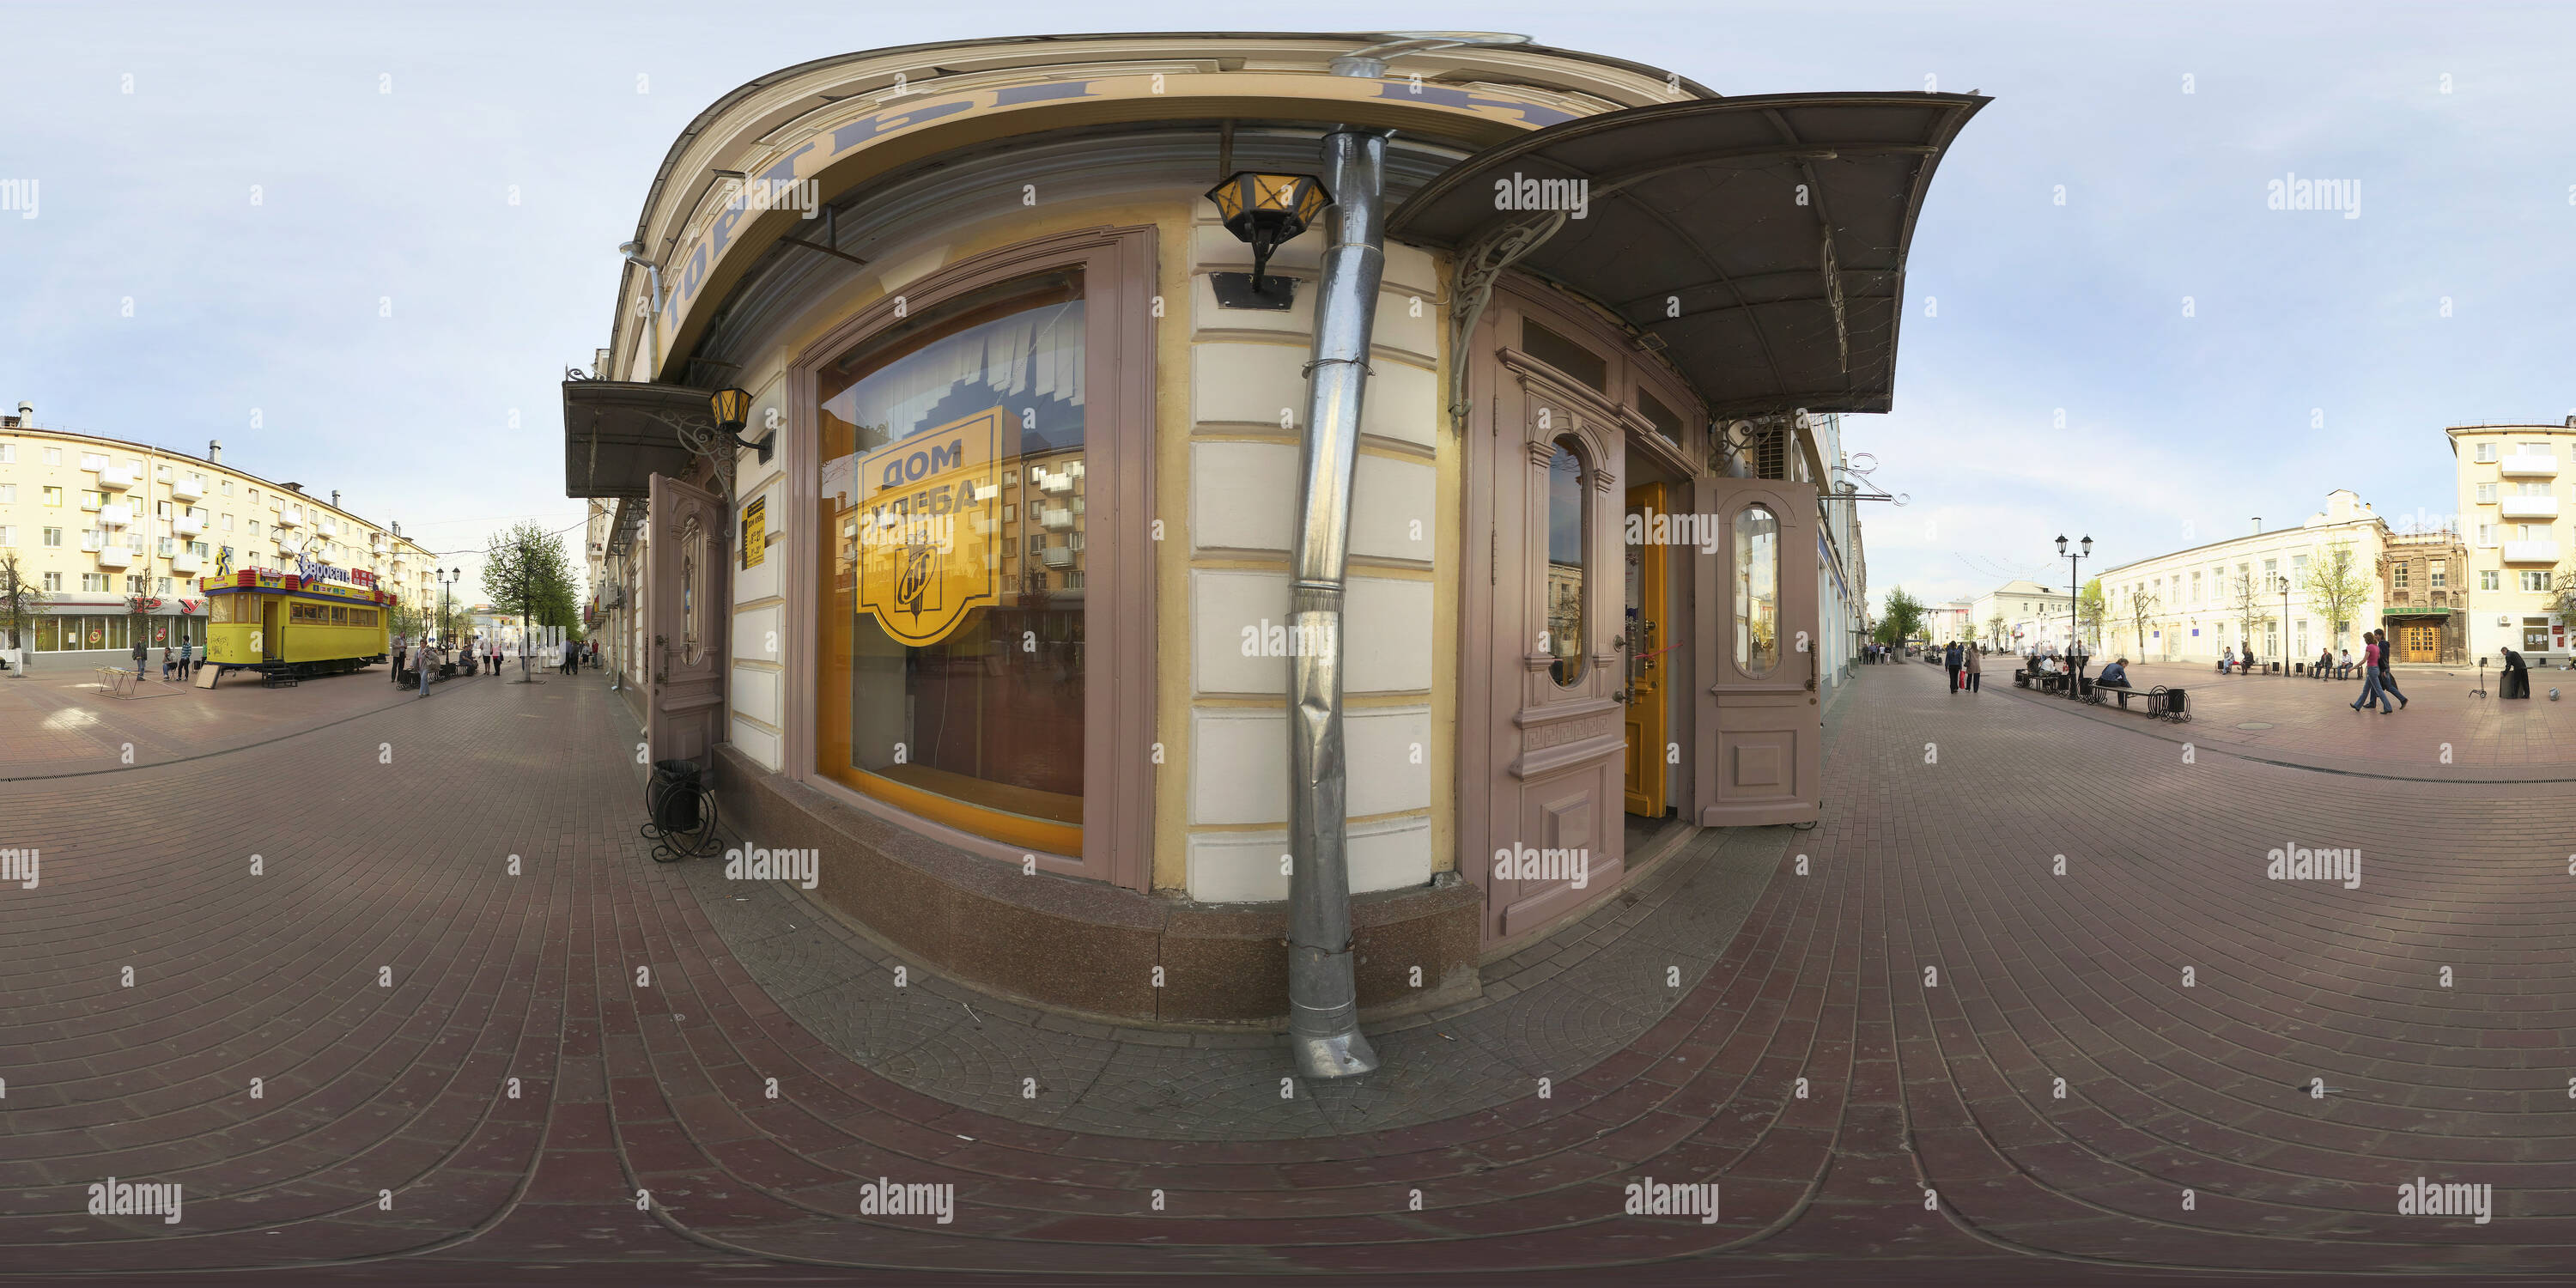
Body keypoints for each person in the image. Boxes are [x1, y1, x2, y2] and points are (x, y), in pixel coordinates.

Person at [2351, 631, 2391, 713]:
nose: (2364, 640)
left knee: (2379, 690)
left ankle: (2388, 707)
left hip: (2372, 670)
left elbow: (2364, 660)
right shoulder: (2376, 647)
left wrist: (2353, 667)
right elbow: (2379, 658)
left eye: (2365, 638)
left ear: (2367, 639)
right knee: (2366, 690)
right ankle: (2358, 705)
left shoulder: (2369, 647)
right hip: (2376, 669)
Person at [2374, 629, 2407, 709]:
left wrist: (2385, 669)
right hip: (2383, 667)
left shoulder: (2382, 644)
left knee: (2389, 686)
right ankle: (2372, 701)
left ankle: (2403, 699)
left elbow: (2384, 657)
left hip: (2384, 668)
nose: (2375, 636)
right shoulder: (2382, 644)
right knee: (2376, 685)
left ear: (2380, 635)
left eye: (2376, 635)